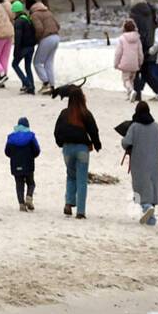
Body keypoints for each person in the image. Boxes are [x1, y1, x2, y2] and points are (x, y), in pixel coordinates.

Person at [54, 85, 103, 219]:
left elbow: (57, 131)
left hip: (67, 149)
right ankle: (80, 212)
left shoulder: (64, 113)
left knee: (70, 176)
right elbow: (94, 130)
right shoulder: (85, 113)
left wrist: (60, 143)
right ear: (82, 98)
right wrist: (97, 144)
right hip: (82, 149)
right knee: (82, 180)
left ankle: (68, 204)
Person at [121, 100, 158, 225]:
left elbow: (126, 143)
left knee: (140, 188)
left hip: (139, 163)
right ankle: (150, 219)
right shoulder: (157, 126)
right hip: (154, 164)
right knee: (152, 188)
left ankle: (146, 207)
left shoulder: (134, 127)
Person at [3, 116, 40, 212]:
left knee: (19, 184)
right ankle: (29, 196)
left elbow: (7, 151)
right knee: (31, 183)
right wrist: (32, 156)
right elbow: (37, 150)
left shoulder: (11, 137)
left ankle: (21, 204)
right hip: (28, 164)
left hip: (16, 165)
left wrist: (14, 157)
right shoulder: (31, 136)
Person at [30, 0, 61, 94]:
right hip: (56, 37)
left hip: (47, 38)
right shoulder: (48, 12)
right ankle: (52, 85)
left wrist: (36, 40)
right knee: (49, 63)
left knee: (37, 62)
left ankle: (46, 82)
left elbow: (39, 29)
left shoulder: (35, 14)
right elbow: (58, 25)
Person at [9, 0, 37, 95]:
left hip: (24, 47)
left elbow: (18, 38)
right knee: (27, 66)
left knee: (14, 64)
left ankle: (27, 83)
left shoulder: (18, 22)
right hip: (31, 46)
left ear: (15, 11)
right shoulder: (27, 18)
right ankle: (31, 87)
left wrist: (16, 52)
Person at [114, 18, 145, 98]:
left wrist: (116, 64)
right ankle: (130, 95)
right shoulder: (137, 39)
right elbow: (140, 52)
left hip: (125, 63)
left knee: (126, 80)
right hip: (134, 64)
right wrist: (140, 62)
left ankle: (131, 91)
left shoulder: (122, 38)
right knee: (131, 80)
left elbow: (118, 53)